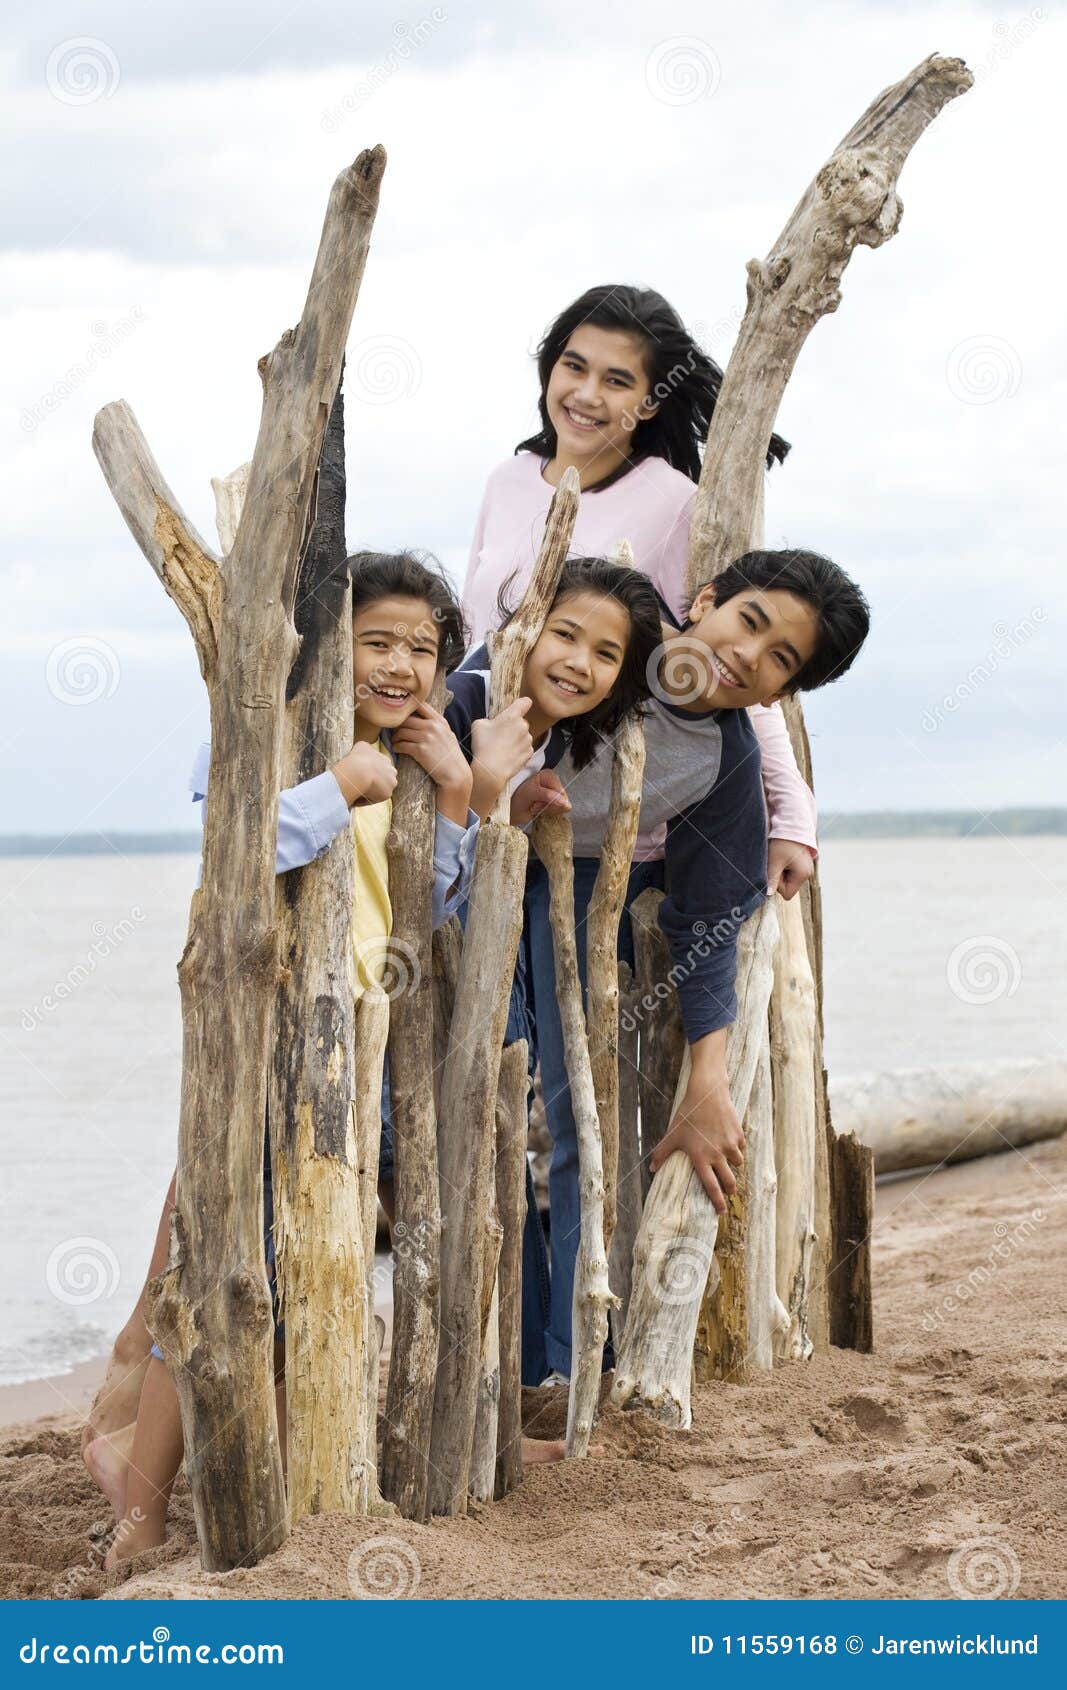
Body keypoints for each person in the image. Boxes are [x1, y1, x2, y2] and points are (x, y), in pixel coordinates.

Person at [510, 548, 871, 1382]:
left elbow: (710, 917)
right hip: (473, 871)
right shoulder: (603, 641)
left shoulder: (726, 762)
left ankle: (561, 1371)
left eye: (780, 659)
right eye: (748, 621)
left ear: (779, 695)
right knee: (484, 1118)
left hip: (586, 892)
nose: (748, 655)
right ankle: (508, 1354)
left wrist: (708, 1082)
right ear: (705, 600)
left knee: (579, 1132)